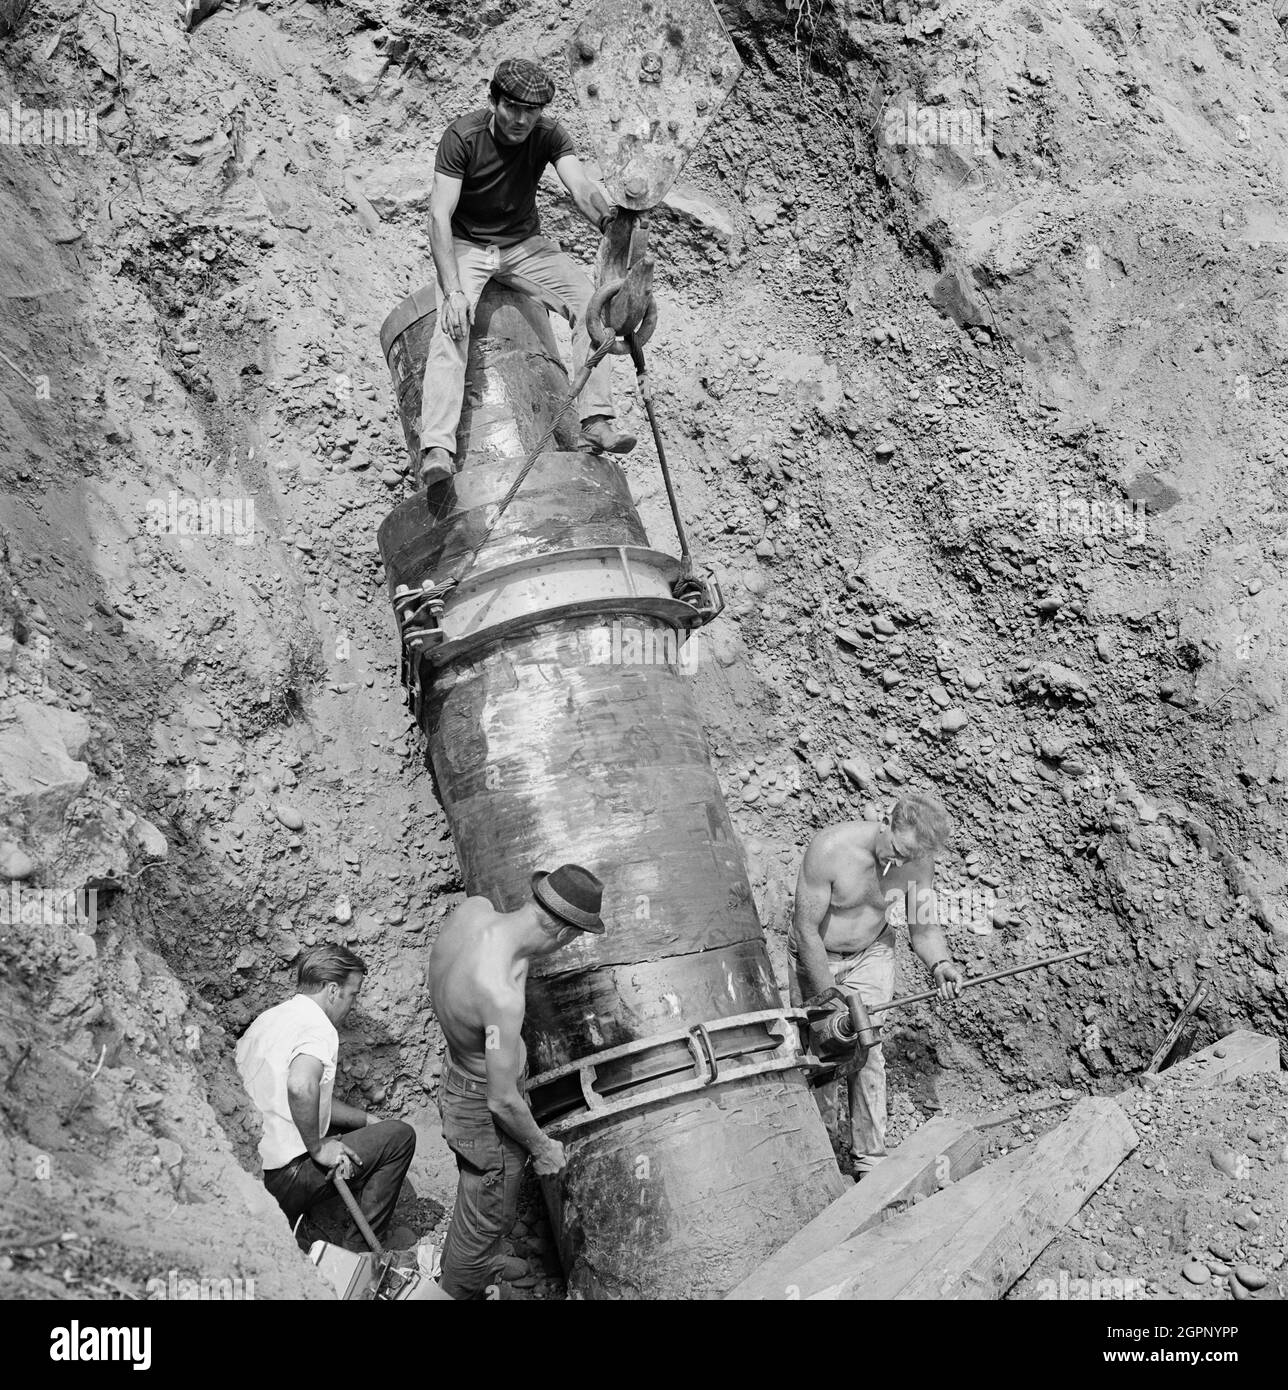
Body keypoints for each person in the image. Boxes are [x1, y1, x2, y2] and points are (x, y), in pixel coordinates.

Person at [418, 56, 636, 487]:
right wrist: (454, 291)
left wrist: (609, 223)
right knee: (453, 326)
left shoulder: (548, 135)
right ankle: (437, 448)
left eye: (531, 111)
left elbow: (582, 187)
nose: (520, 119)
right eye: (512, 107)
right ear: (494, 101)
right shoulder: (463, 137)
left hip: (524, 246)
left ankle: (595, 421)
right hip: (468, 244)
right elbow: (438, 217)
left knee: (589, 303)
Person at [427, 864, 606, 1299]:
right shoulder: (500, 993)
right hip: (482, 1109)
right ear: (566, 934)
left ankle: (468, 1258)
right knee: (488, 1212)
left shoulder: (474, 912)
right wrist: (542, 1148)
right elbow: (502, 1100)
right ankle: (460, 1285)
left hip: (456, 1077)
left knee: (474, 1194)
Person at [788, 793, 963, 1177]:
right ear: (887, 822)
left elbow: (924, 928)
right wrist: (830, 1003)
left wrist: (941, 964)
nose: (898, 862)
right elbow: (806, 931)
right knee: (824, 1051)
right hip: (818, 955)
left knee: (867, 1047)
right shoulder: (830, 849)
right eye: (897, 850)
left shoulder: (918, 863)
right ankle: (824, 1155)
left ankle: (869, 1157)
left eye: (908, 857)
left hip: (872, 951)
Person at [235, 945, 416, 1250]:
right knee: (400, 1137)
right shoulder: (318, 1028)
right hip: (284, 1179)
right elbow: (301, 1087)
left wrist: (365, 1120)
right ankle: (362, 1254)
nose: (352, 1005)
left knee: (364, 1135)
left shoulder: (267, 1021)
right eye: (353, 994)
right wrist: (318, 1149)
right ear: (333, 990)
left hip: (251, 1171)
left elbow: (302, 1096)